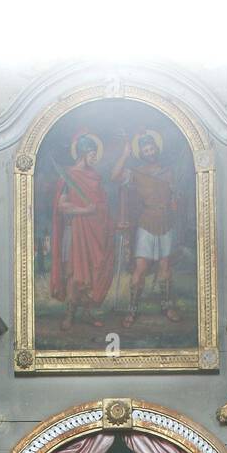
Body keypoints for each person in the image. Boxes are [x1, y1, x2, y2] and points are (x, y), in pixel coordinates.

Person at [111, 131, 181, 327]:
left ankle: (167, 307)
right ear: (141, 153)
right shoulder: (137, 173)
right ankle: (132, 310)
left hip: (166, 222)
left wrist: (176, 200)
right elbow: (115, 176)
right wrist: (125, 155)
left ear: (156, 149)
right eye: (146, 150)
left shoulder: (168, 171)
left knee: (165, 267)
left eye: (151, 149)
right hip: (146, 222)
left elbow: (175, 196)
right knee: (140, 268)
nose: (149, 152)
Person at [49, 134, 115, 329]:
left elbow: (102, 204)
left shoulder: (95, 177)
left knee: (93, 271)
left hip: (94, 231)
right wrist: (84, 210)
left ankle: (86, 312)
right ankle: (69, 315)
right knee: (73, 272)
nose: (95, 158)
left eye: (96, 154)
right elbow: (61, 206)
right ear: (83, 154)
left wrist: (102, 216)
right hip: (75, 230)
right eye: (92, 154)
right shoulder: (67, 175)